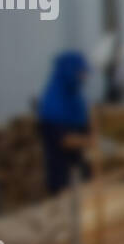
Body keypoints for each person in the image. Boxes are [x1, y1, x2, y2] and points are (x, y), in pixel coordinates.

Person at [37, 50, 91, 195]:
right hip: (61, 174)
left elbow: (85, 127)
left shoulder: (75, 97)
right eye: (81, 73)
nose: (84, 77)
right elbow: (63, 139)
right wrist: (92, 142)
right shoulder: (53, 102)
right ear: (70, 72)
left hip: (79, 173)